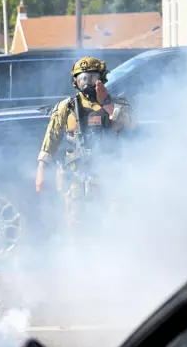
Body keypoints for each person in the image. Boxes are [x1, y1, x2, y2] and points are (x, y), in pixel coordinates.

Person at [35, 57, 135, 233]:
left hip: (110, 178)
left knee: (115, 226)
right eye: (83, 78)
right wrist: (41, 170)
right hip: (76, 179)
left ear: (102, 79)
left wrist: (106, 103)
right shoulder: (66, 107)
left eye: (92, 78)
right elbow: (51, 138)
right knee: (77, 227)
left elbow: (132, 122)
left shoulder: (117, 103)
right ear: (75, 81)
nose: (87, 83)